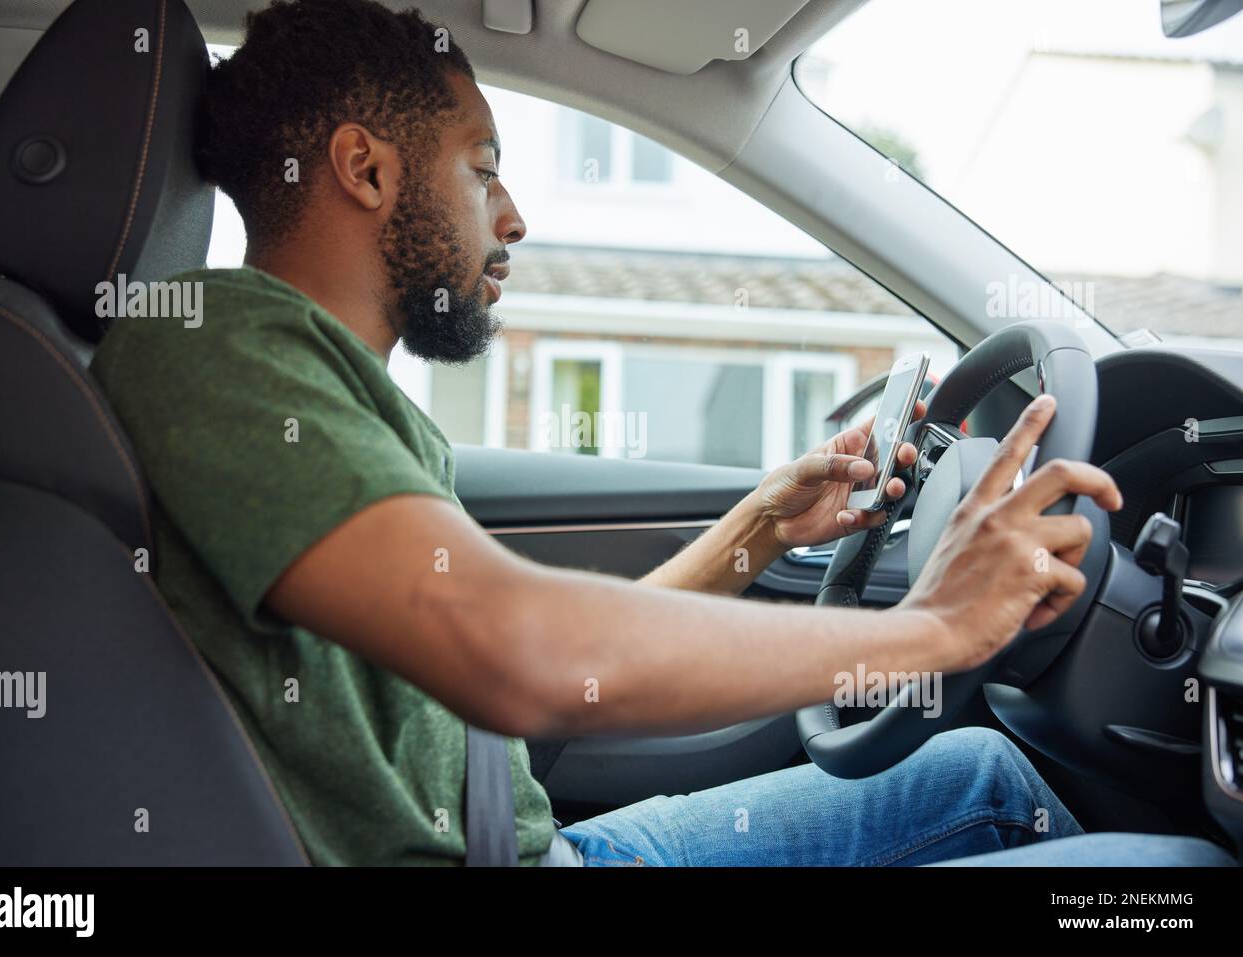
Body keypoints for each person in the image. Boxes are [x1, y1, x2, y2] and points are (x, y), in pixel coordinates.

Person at [91, 0, 1144, 866]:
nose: (512, 218)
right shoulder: (213, 349)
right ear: (365, 169)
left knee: (985, 779)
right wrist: (935, 631)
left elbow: (547, 676)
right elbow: (520, 653)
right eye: (480, 166)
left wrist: (763, 527)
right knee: (1155, 881)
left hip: (533, 847)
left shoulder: (328, 392)